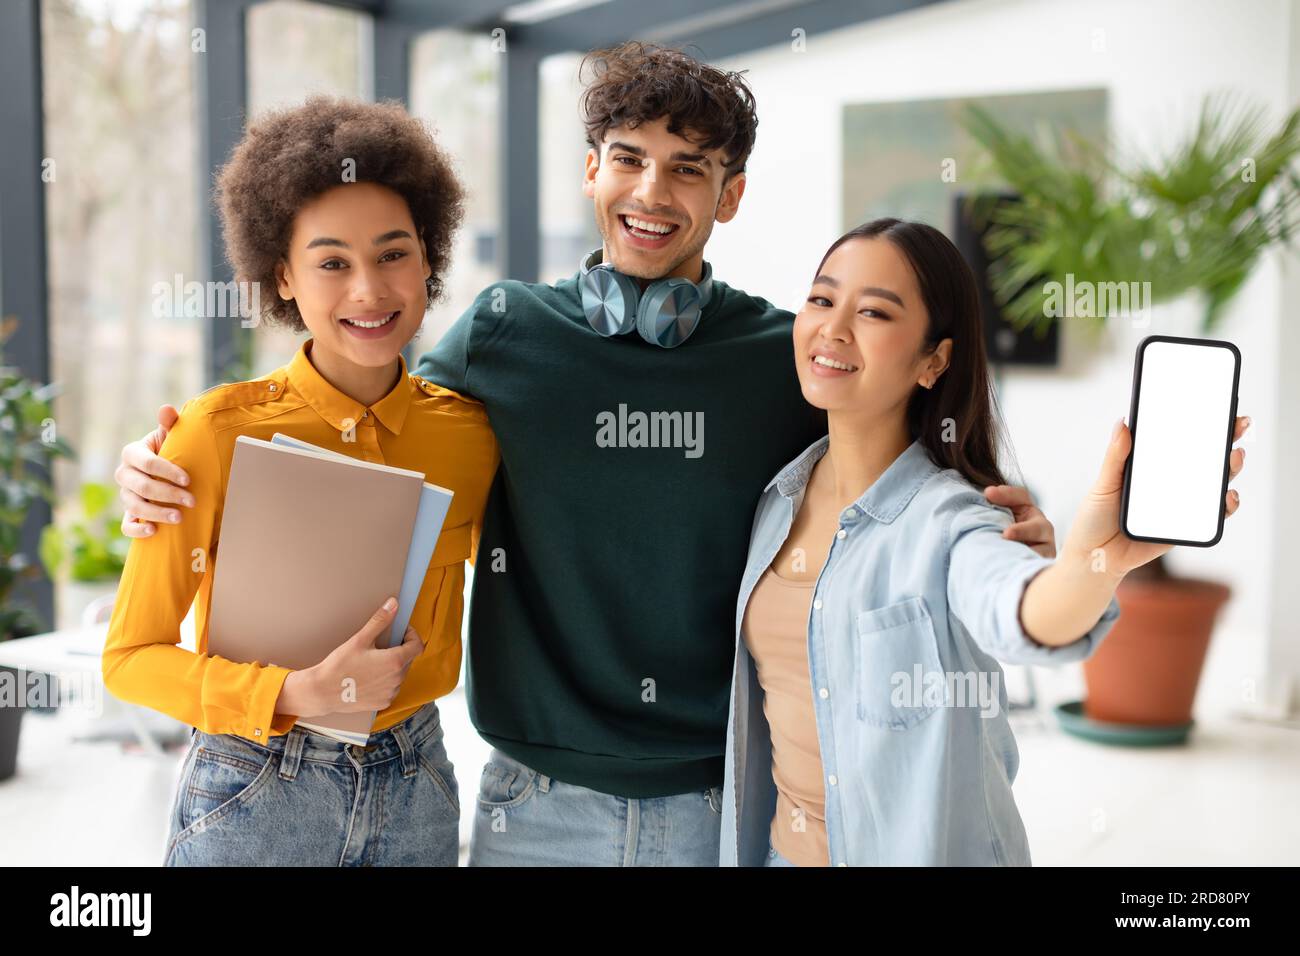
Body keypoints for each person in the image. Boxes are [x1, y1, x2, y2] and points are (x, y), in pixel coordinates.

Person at [112, 44, 1056, 867]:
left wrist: (991, 519)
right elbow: (363, 406)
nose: (653, 192)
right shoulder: (500, 335)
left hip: (715, 804)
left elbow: (893, 469)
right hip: (533, 806)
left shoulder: (786, 360)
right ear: (591, 173)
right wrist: (160, 462)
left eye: (690, 170)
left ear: (730, 197)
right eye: (630, 160)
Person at [721, 219, 1249, 866]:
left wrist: (1093, 562)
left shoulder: (952, 519)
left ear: (934, 361)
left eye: (875, 313)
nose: (833, 328)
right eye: (823, 299)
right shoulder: (777, 497)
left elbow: (1024, 609)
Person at [102, 97, 498, 866]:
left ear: (429, 258)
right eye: (331, 263)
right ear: (282, 276)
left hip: (418, 781)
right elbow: (130, 656)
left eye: (393, 253)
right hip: (258, 786)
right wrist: (293, 696)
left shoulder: (473, 435)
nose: (368, 291)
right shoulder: (215, 435)